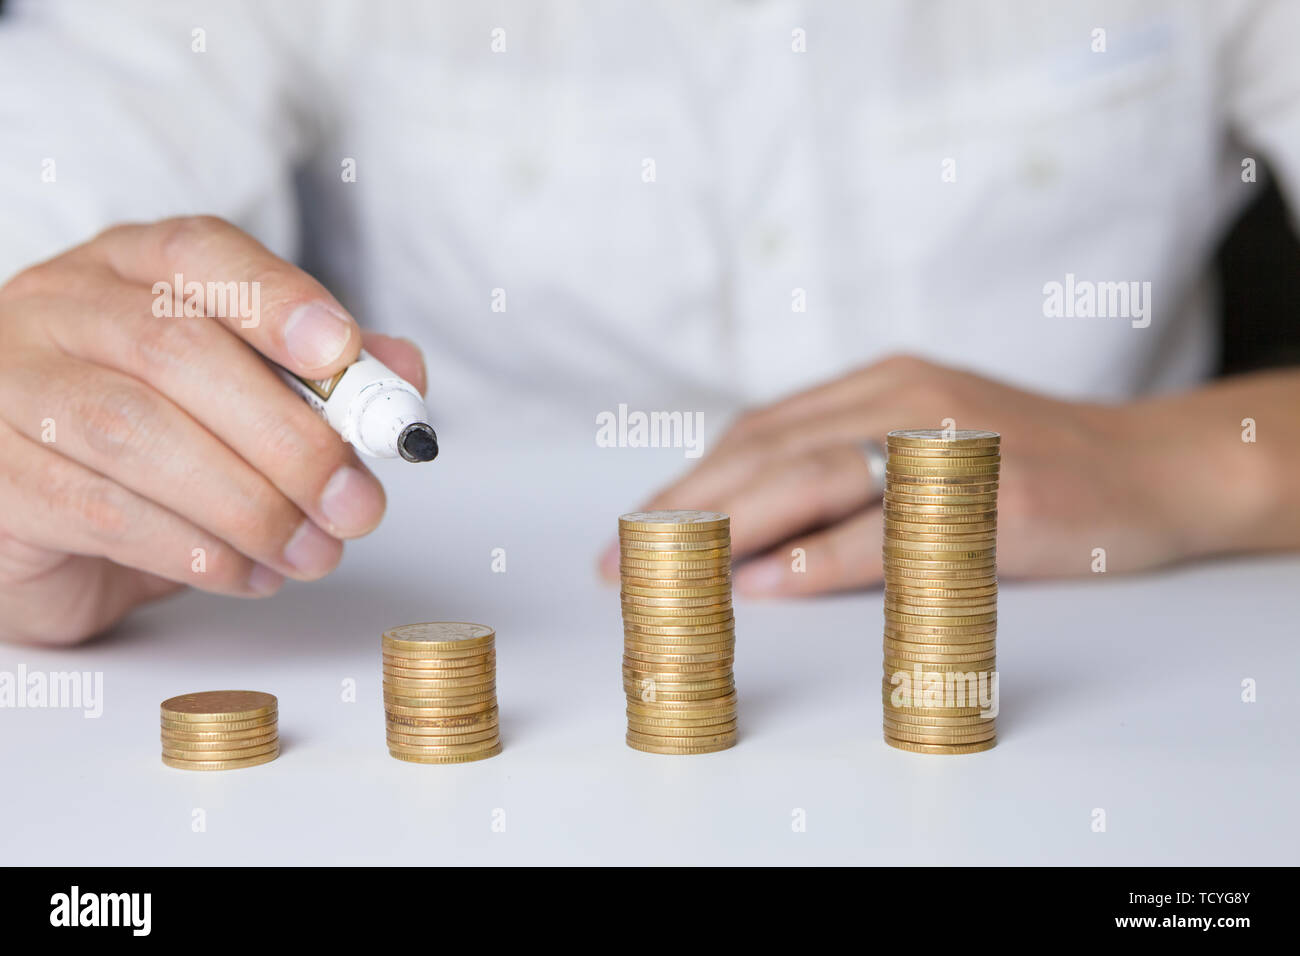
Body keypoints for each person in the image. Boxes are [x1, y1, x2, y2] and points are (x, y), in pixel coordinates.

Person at [1, 0, 1298, 645]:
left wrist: (1203, 461)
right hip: (530, 665)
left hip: (1111, 664)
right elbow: (41, 227)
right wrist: (39, 449)